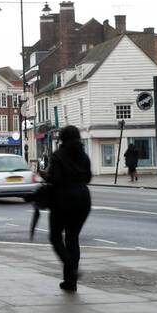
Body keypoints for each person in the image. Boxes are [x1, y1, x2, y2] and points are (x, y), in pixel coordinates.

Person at [41, 125, 92, 292]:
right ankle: (70, 282)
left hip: (62, 200)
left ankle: (70, 265)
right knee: (72, 238)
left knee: (55, 237)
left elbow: (54, 179)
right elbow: (88, 177)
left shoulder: (58, 156)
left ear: (62, 138)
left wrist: (44, 175)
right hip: (83, 200)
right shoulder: (83, 156)